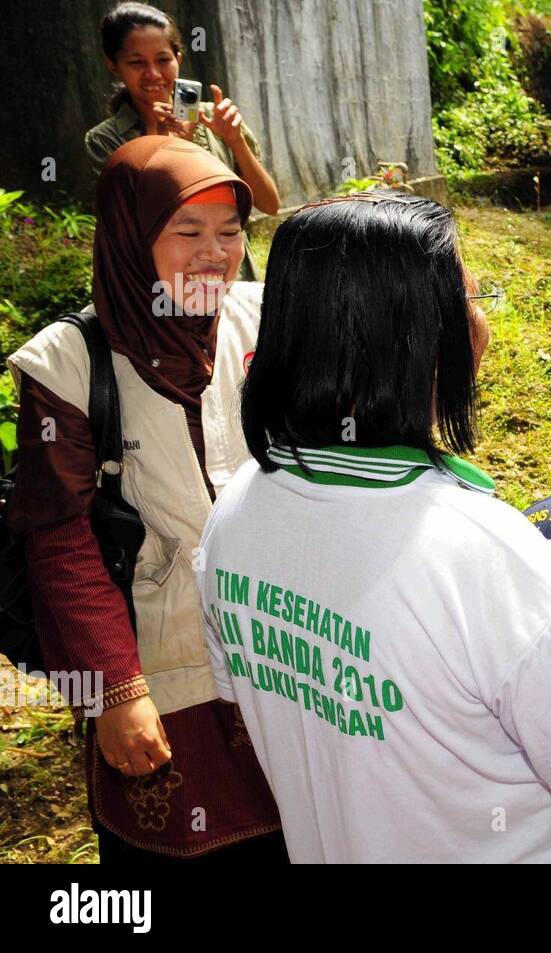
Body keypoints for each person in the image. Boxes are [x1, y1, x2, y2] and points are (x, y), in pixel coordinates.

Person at [198, 190, 551, 863]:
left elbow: (253, 702)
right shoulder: (487, 554)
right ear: (419, 344)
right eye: (465, 300)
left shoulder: (236, 510)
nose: (481, 321)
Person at [7, 136, 284, 861]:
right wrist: (116, 690)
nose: (213, 253)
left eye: (230, 232)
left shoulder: (266, 320)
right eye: (186, 231)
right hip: (160, 672)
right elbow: (60, 543)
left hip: (278, 658)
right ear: (132, 237)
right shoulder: (65, 364)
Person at [85, 2, 279, 280]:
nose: (153, 73)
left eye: (163, 59)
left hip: (234, 280)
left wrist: (236, 141)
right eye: (136, 62)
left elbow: (270, 204)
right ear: (113, 65)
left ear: (179, 58)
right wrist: (165, 148)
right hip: (163, 288)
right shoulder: (105, 140)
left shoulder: (214, 119)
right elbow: (132, 231)